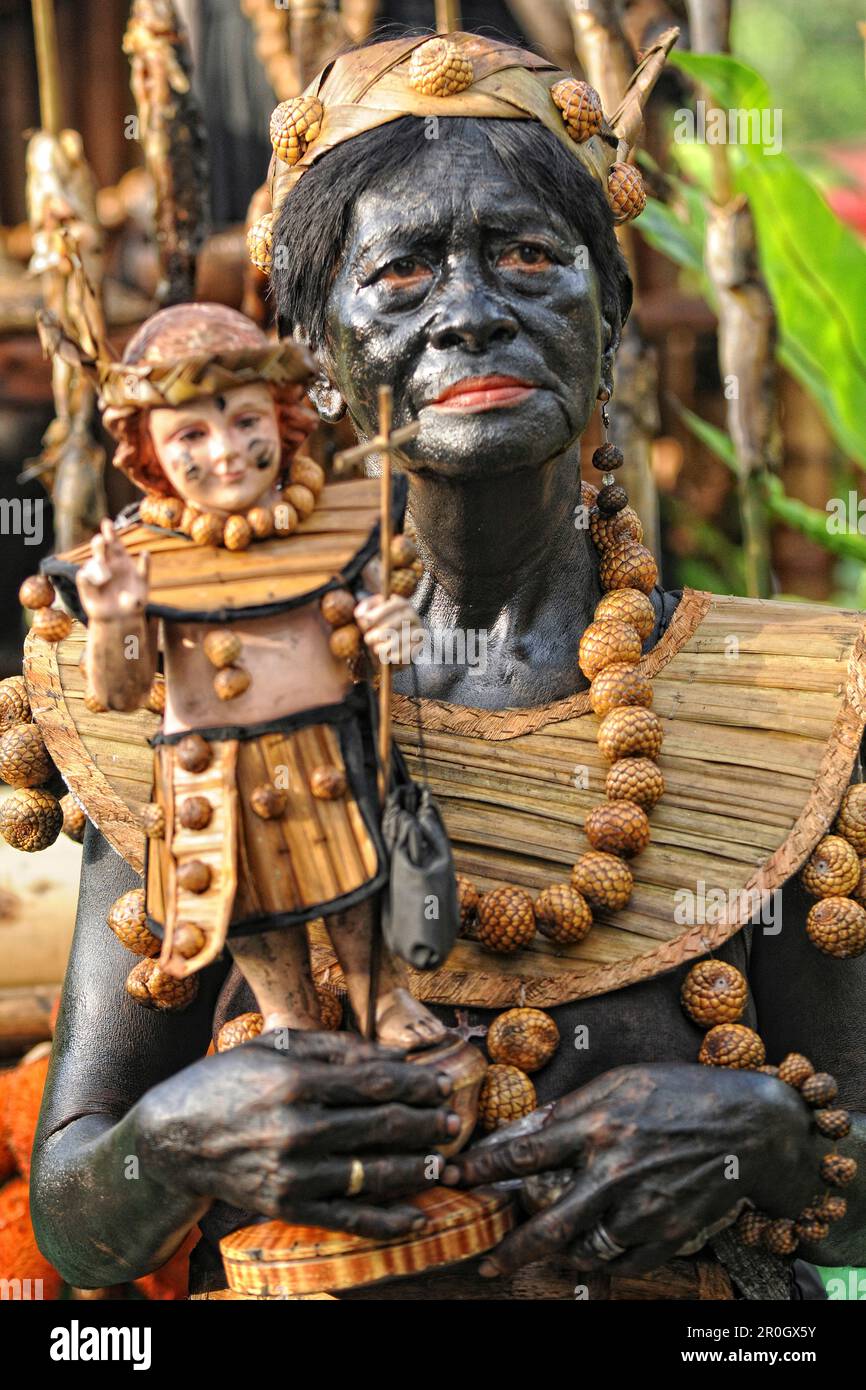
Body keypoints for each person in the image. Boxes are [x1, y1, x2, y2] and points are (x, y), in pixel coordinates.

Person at [31, 32, 866, 1299]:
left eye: (529, 255)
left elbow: (851, 1196)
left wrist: (763, 1142)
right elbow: (73, 1221)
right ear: (310, 355)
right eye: (402, 270)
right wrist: (173, 1142)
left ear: (611, 315)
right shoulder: (205, 697)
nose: (471, 310)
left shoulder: (785, 703)